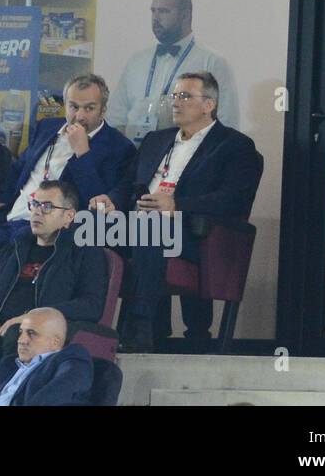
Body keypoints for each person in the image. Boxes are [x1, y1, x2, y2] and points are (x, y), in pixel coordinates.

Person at [95, 71, 263, 351]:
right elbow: (128, 184)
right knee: (85, 228)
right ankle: (84, 327)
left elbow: (233, 199)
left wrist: (176, 205)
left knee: (150, 228)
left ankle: (139, 330)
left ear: (209, 104)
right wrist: (111, 200)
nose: (176, 102)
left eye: (185, 96)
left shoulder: (234, 145)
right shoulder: (156, 140)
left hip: (194, 233)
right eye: (174, 96)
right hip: (137, 223)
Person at [0, 74, 135, 248]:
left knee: (11, 248)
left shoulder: (118, 147)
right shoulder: (47, 127)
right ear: (65, 105)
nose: (79, 116)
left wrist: (82, 154)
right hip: (11, 220)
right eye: (73, 107)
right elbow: (19, 168)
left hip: (51, 233)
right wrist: (1, 199)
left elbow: (97, 204)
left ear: (103, 110)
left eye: (89, 108)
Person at [0, 180, 107, 357]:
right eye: (35, 204)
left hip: (32, 332)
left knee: (16, 335)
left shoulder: (85, 252)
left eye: (47, 206)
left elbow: (91, 306)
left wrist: (31, 319)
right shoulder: (14, 249)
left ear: (69, 216)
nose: (37, 211)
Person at [107, 0, 239, 137]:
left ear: (185, 15)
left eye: (164, 11)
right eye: (153, 11)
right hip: (135, 156)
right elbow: (115, 119)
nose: (155, 18)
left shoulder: (212, 63)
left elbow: (227, 124)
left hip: (185, 157)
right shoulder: (136, 62)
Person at [0, 307, 94, 406]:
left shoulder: (72, 357)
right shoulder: (8, 363)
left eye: (32, 333)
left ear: (55, 342)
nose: (21, 340)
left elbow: (56, 397)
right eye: (21, 332)